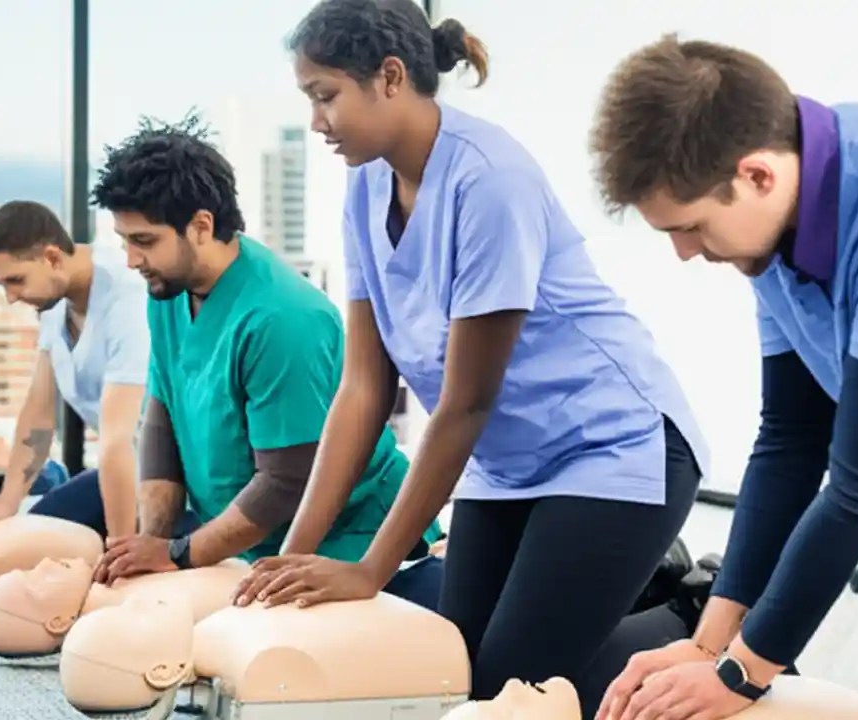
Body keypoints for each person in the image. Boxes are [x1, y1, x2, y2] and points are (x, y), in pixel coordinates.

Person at [232, 1, 712, 715]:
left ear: (390, 77)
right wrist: (292, 554)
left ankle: (690, 618)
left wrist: (369, 569)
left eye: (324, 96)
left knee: (511, 689)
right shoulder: (365, 184)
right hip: (505, 461)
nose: (317, 122)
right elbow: (363, 388)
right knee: (453, 669)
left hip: (613, 445)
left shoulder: (489, 177)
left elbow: (464, 401)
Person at [587, 34, 858, 720]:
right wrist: (709, 642)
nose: (683, 253)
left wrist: (743, 672)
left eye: (693, 227)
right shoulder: (782, 221)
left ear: (757, 175)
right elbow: (792, 439)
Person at [85, 114, 445, 609]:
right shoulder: (167, 290)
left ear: (201, 226)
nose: (130, 259)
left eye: (144, 241)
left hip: (350, 543)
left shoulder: (282, 317)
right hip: (243, 542)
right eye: (124, 241)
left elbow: (287, 480)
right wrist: (155, 545)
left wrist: (180, 553)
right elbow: (163, 414)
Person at [0, 199, 164, 541]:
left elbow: (117, 440)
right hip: (119, 472)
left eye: (15, 281)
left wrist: (121, 546)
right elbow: (38, 412)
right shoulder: (52, 299)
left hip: (171, 477)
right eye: (0, 285)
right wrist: (7, 501)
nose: (11, 297)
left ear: (52, 257)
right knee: (30, 535)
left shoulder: (128, 298)